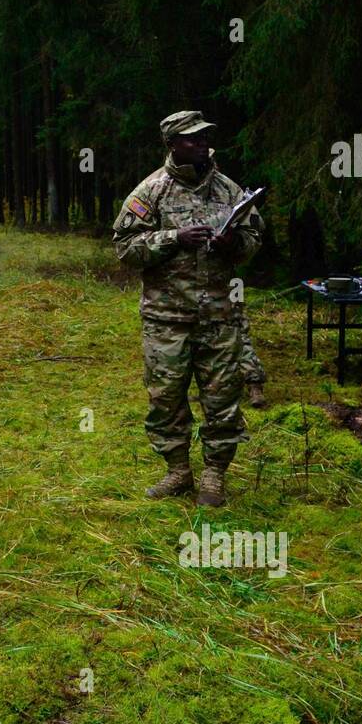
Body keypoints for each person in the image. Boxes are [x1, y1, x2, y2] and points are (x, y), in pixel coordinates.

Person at [112, 110, 262, 507]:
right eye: (191, 138)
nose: (201, 144)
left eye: (204, 137)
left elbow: (252, 241)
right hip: (167, 320)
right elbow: (125, 248)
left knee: (222, 400)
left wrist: (234, 244)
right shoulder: (150, 192)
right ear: (172, 144)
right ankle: (178, 470)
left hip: (219, 317)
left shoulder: (229, 190)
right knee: (165, 399)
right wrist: (174, 238)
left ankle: (214, 474)